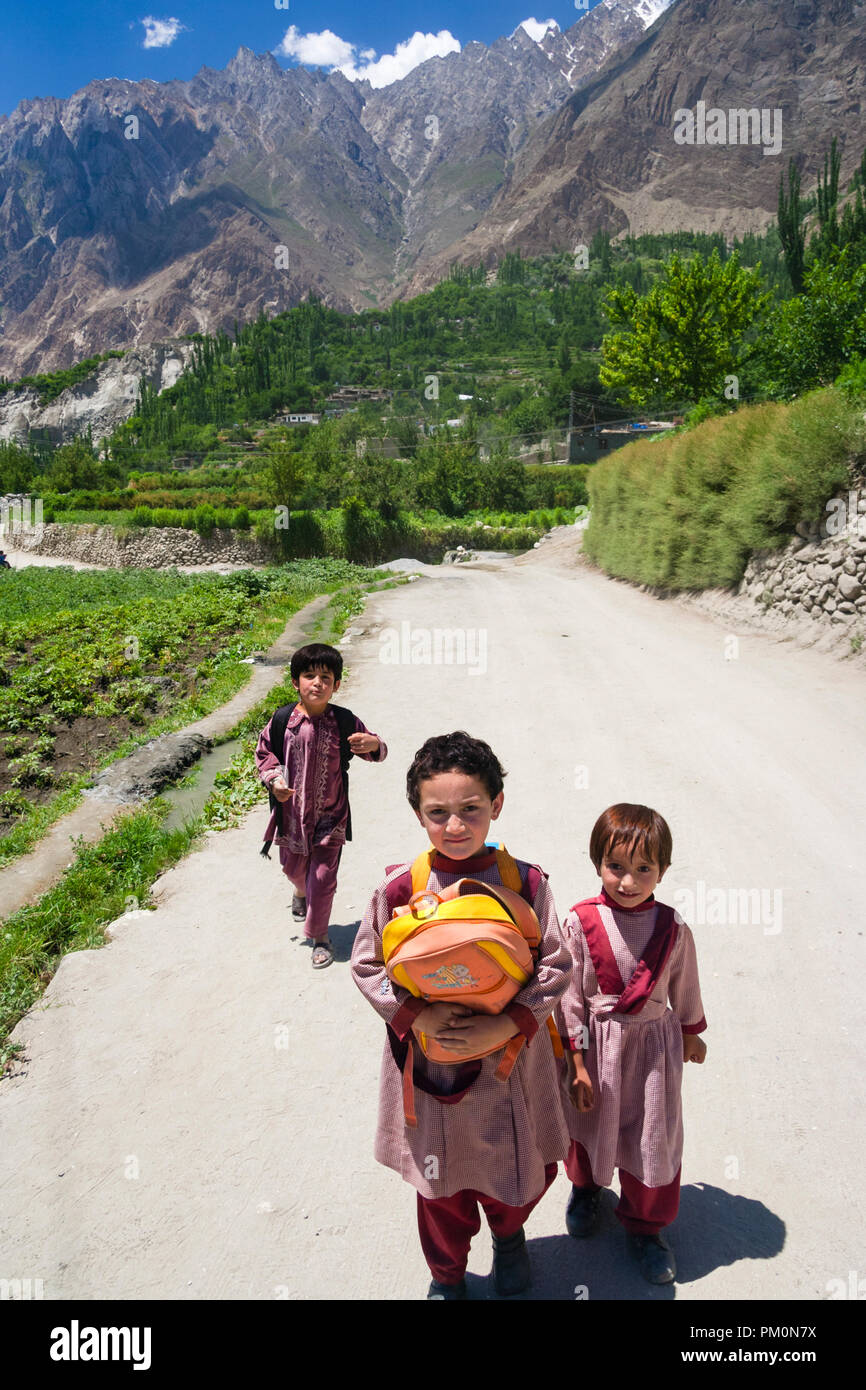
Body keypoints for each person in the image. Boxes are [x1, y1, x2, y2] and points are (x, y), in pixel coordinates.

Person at [351, 731, 571, 1299]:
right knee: (439, 1183)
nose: (455, 825)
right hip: (431, 1068)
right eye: (438, 813)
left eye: (470, 809)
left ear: (496, 805)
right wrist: (413, 1016)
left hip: (512, 1064)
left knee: (516, 1173)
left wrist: (511, 1021)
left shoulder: (527, 883)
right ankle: (447, 1275)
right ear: (418, 814)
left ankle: (510, 1240)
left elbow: (557, 963)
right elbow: (367, 966)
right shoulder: (400, 888)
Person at [556, 803, 707, 1284]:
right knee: (588, 1121)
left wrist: (690, 1031)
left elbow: (684, 983)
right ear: (597, 861)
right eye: (616, 866)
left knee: (651, 1137)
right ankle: (585, 1189)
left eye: (644, 868)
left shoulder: (673, 928)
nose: (628, 881)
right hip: (597, 1050)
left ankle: (645, 1227)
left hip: (654, 1053)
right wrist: (575, 1060)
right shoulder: (580, 923)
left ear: (663, 870)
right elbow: (570, 998)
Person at [254, 642, 387, 969]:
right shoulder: (283, 720)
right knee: (294, 870)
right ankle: (300, 892)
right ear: (295, 683)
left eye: (325, 677)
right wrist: (274, 779)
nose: (317, 683)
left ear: (336, 685)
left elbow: (375, 749)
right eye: (309, 675)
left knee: (324, 877)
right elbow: (264, 754)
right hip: (292, 817)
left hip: (332, 816)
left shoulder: (343, 721)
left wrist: (374, 744)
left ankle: (320, 936)